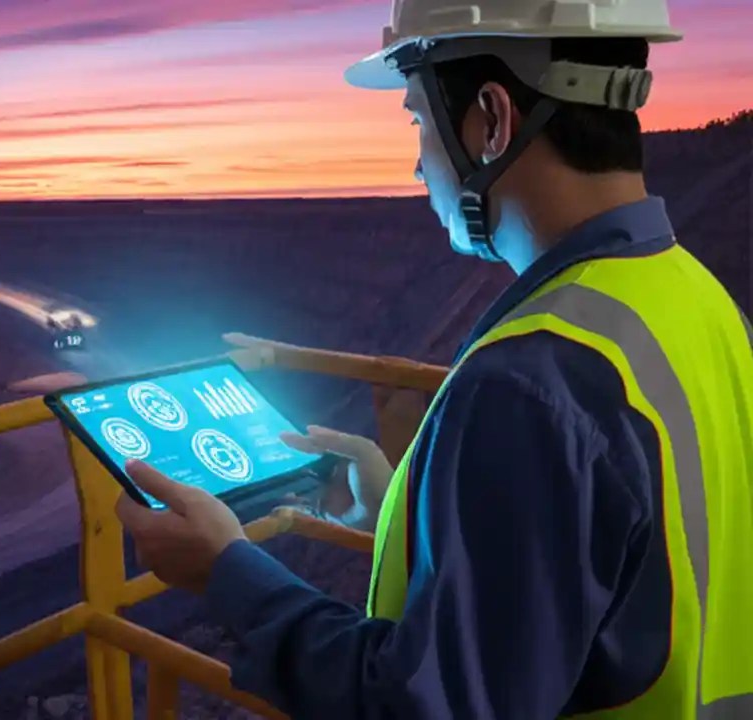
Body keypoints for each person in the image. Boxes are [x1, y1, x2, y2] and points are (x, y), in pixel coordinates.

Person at [114, 0, 753, 717]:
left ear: (490, 119)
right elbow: (623, 552)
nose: (418, 164)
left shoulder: (531, 380)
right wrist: (403, 510)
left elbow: (418, 706)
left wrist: (227, 572)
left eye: (418, 118)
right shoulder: (696, 298)